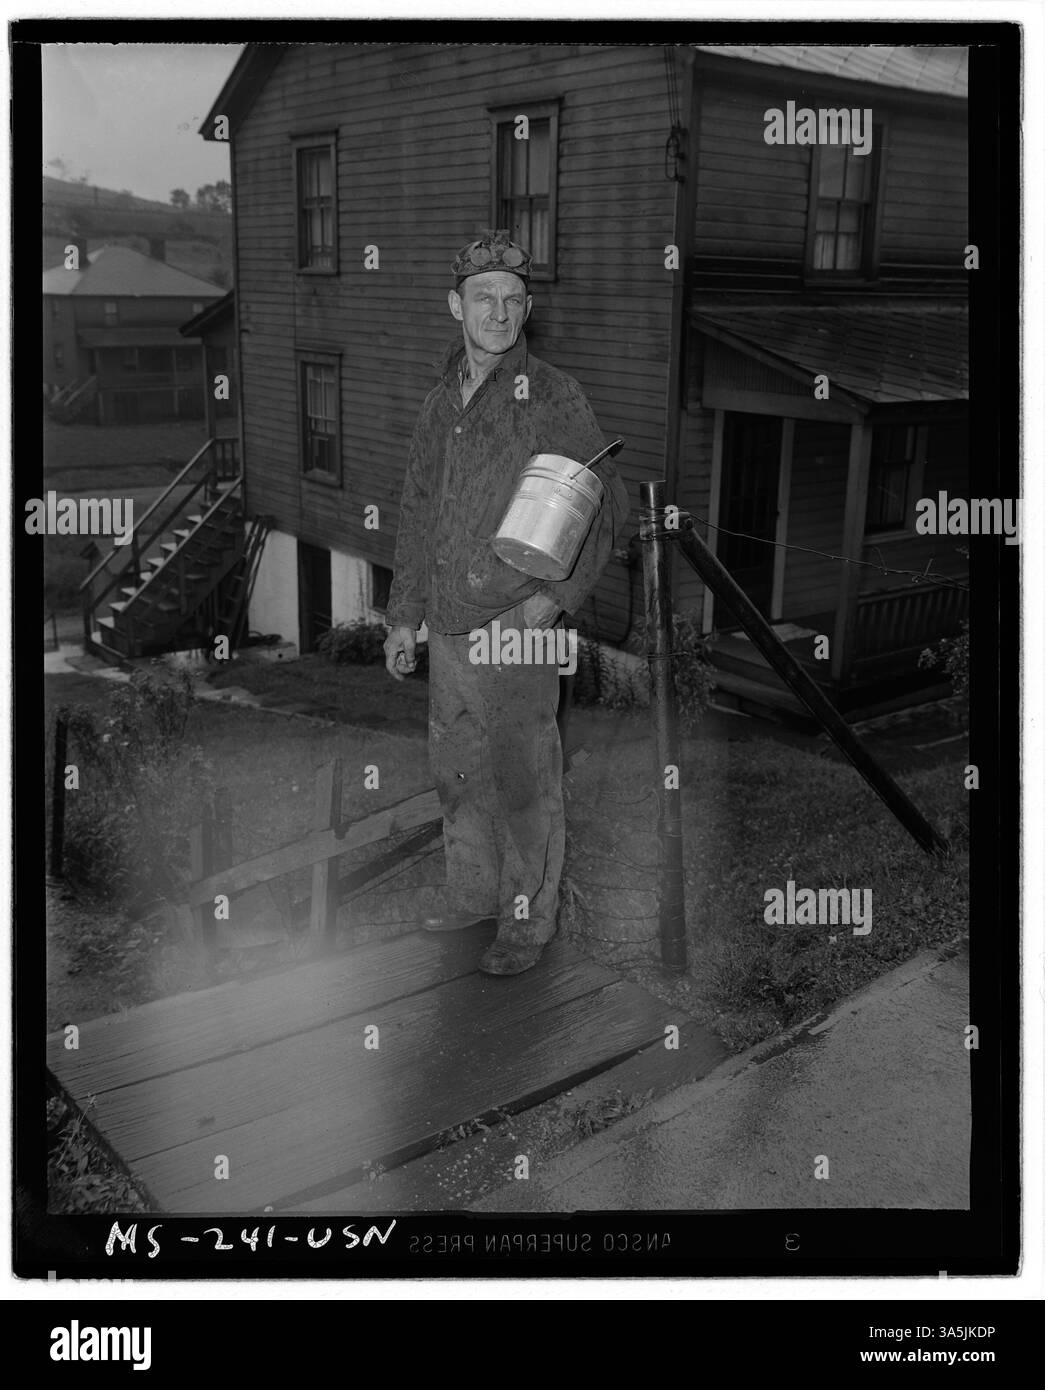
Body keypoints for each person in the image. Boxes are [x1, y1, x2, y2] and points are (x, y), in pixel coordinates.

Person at [383, 229, 629, 976]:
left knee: (523, 777)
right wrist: (402, 615)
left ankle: (526, 924)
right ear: (454, 304)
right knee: (457, 769)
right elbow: (418, 509)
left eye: (515, 300)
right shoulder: (440, 402)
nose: (501, 312)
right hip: (450, 626)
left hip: (517, 624)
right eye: (485, 297)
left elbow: (601, 501)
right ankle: (473, 897)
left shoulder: (550, 394)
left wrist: (551, 602)